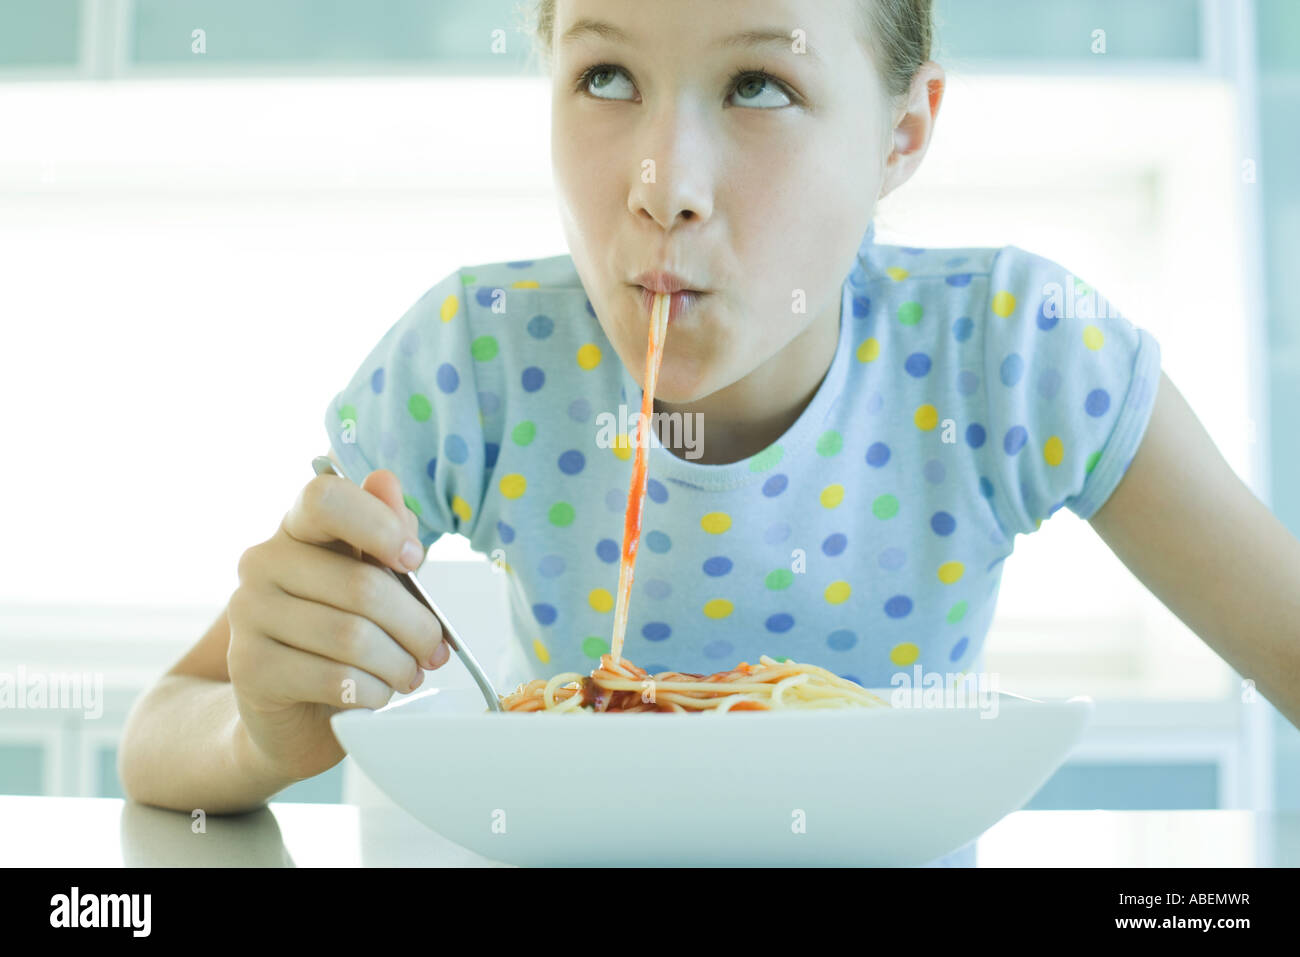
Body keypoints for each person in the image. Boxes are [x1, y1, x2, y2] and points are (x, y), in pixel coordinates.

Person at [119, 0, 1300, 850]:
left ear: (902, 133)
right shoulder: (475, 360)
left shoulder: (1012, 348)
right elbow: (162, 731)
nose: (661, 182)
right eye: (606, 78)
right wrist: (267, 735)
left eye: (757, 86)